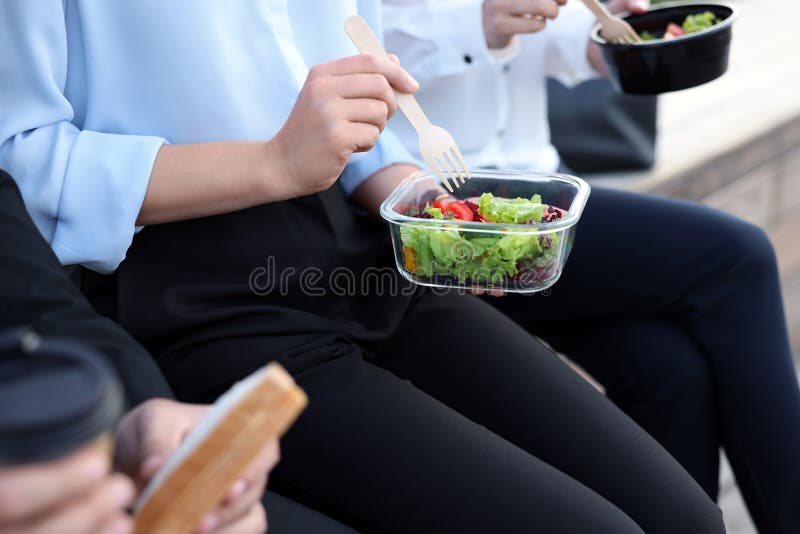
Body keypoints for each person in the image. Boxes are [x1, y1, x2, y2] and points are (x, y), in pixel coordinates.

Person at [0, 2, 725, 532]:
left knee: (686, 518)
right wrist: (272, 164)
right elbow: (21, 161)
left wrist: (427, 208)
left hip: (371, 258)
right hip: (204, 300)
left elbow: (359, 104)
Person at [383, 1, 800, 532]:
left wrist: (600, 38)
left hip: (542, 183)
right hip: (441, 214)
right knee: (737, 257)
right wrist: (478, 22)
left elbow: (538, 41)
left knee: (668, 370)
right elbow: (344, 41)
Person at [0, 169, 354, 534]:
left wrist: (137, 410)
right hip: (203, 304)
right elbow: (43, 164)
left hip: (343, 265)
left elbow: (37, 298)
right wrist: (275, 164)